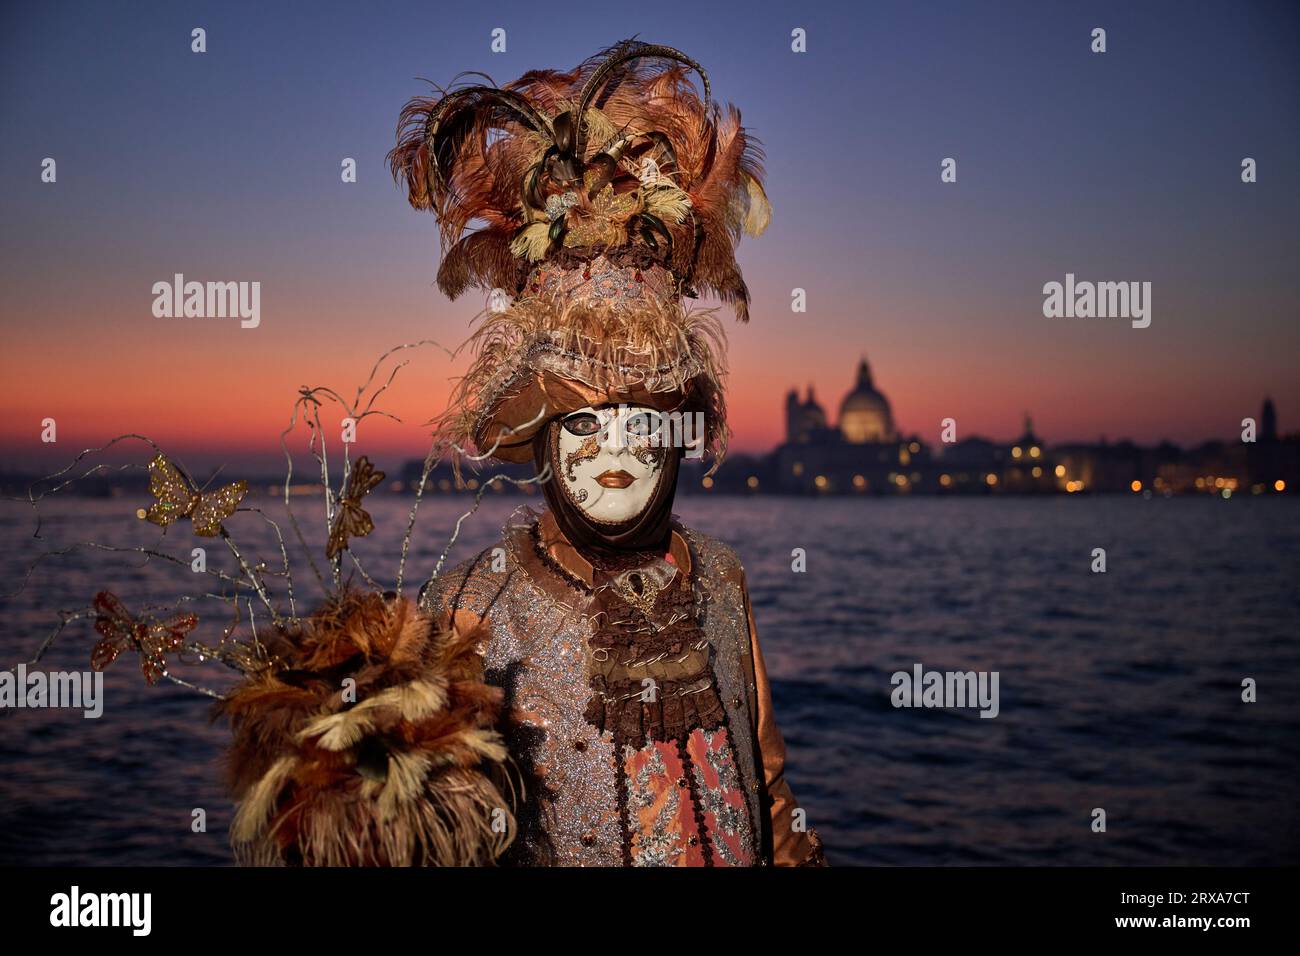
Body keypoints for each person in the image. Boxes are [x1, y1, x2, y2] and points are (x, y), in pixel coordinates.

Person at [396, 38, 826, 866]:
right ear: (543, 440)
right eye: (585, 425)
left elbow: (768, 788)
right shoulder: (473, 605)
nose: (614, 452)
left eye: (641, 420)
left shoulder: (721, 580)